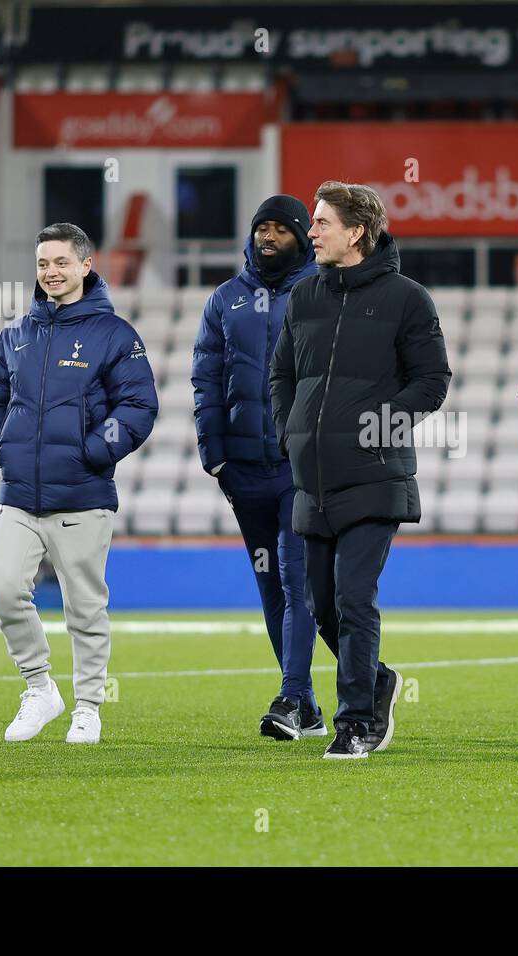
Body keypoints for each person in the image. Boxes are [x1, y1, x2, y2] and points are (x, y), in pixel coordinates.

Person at [269, 181, 451, 760]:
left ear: (357, 232)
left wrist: (377, 427)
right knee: (320, 605)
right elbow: (281, 377)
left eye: (322, 223)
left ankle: (355, 721)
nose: (311, 231)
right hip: (312, 480)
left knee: (353, 598)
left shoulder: (408, 299)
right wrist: (288, 430)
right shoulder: (304, 298)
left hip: (375, 475)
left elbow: (432, 382)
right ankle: (376, 682)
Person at [0, 222, 158, 745]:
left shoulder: (114, 334)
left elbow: (139, 406)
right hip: (20, 496)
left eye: (61, 262)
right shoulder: (15, 335)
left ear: (85, 265)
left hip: (82, 496)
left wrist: (93, 452)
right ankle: (40, 689)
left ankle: (88, 707)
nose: (51, 272)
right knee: (3, 583)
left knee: (84, 607)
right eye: (42, 264)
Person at [192, 195, 326, 742]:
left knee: (297, 580)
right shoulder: (225, 299)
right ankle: (308, 704)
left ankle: (292, 698)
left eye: (280, 229)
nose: (268, 238)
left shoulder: (323, 292)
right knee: (270, 584)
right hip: (243, 469)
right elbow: (206, 378)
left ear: (301, 236)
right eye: (261, 228)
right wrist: (214, 454)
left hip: (300, 467)